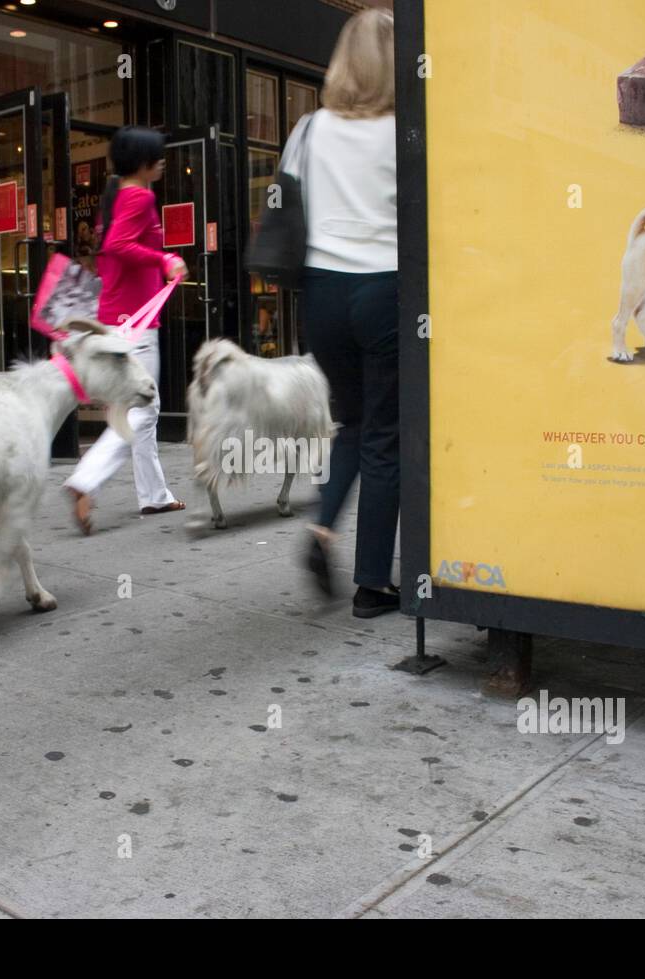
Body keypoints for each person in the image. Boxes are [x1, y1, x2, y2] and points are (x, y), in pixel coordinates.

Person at [287, 10, 400, 618]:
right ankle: (373, 583)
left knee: (352, 423)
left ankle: (322, 527)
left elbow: (288, 205)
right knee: (385, 437)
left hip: (322, 292)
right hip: (385, 288)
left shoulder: (308, 129)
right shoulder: (406, 130)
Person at [63, 126, 188, 534]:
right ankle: (86, 479)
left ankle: (155, 496)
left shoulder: (117, 196)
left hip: (119, 317)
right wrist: (164, 259)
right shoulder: (137, 196)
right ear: (143, 162)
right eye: (158, 155)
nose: (164, 160)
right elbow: (119, 245)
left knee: (141, 412)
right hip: (134, 322)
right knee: (143, 411)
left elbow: (112, 246)